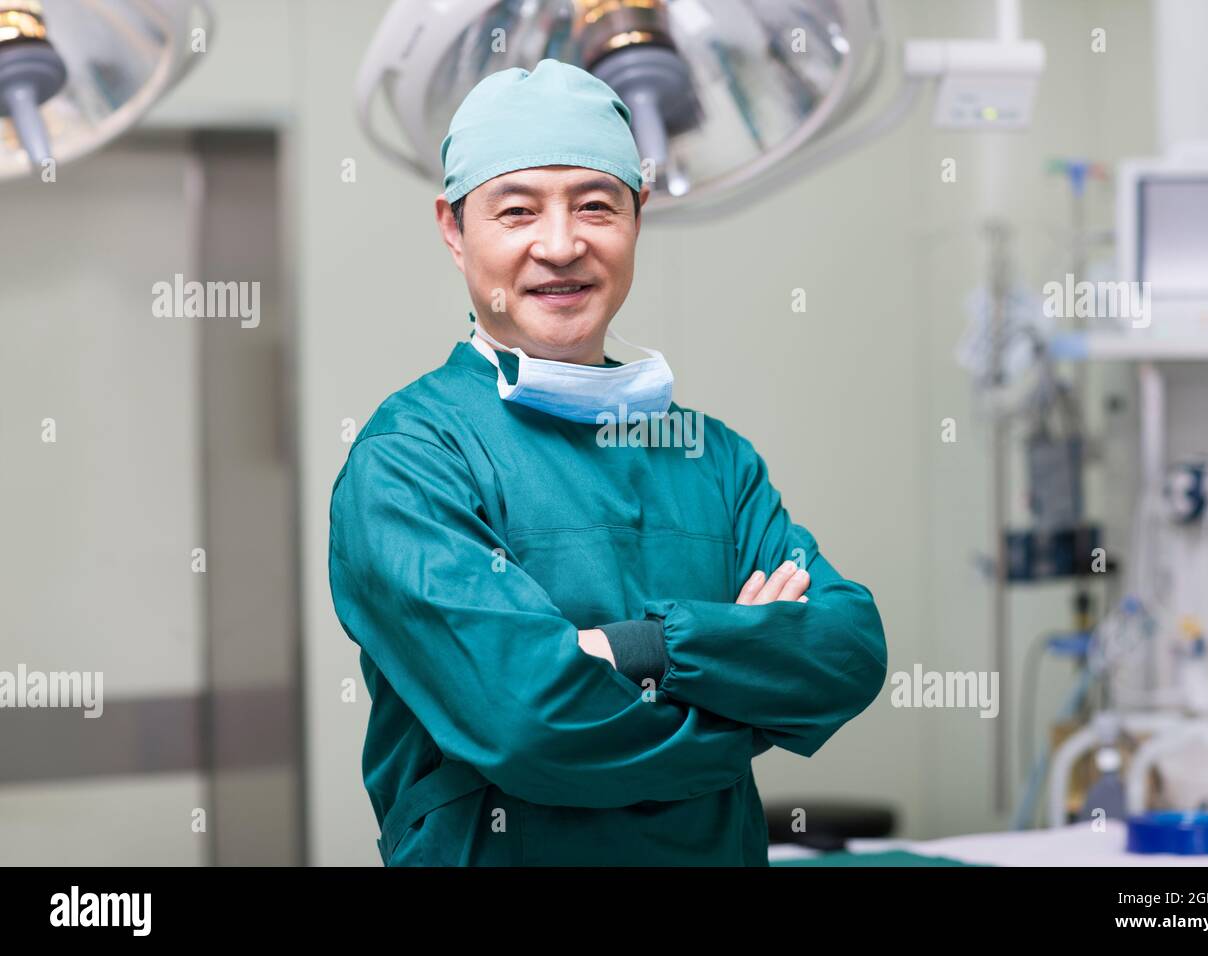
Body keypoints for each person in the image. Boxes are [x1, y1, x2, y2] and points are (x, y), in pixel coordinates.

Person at [328, 58, 888, 866]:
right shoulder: (411, 461)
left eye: (595, 205)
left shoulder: (711, 458)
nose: (560, 246)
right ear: (453, 229)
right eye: (516, 212)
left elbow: (848, 652)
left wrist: (643, 649)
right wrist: (749, 697)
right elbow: (528, 723)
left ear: (637, 215)